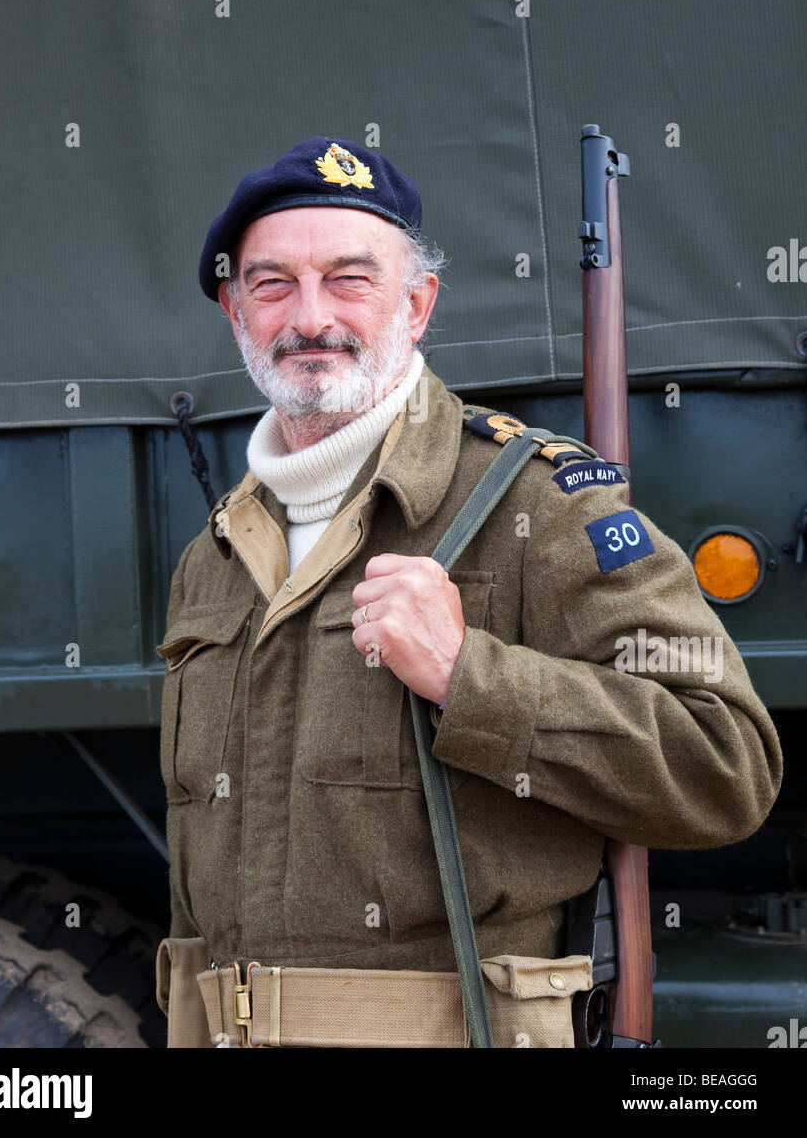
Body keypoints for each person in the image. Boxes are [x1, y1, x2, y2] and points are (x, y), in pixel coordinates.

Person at [157, 137, 782, 1048]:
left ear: (416, 305)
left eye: (350, 279)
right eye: (273, 284)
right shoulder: (213, 553)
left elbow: (727, 765)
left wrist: (467, 675)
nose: (311, 316)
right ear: (235, 310)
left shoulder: (535, 501)